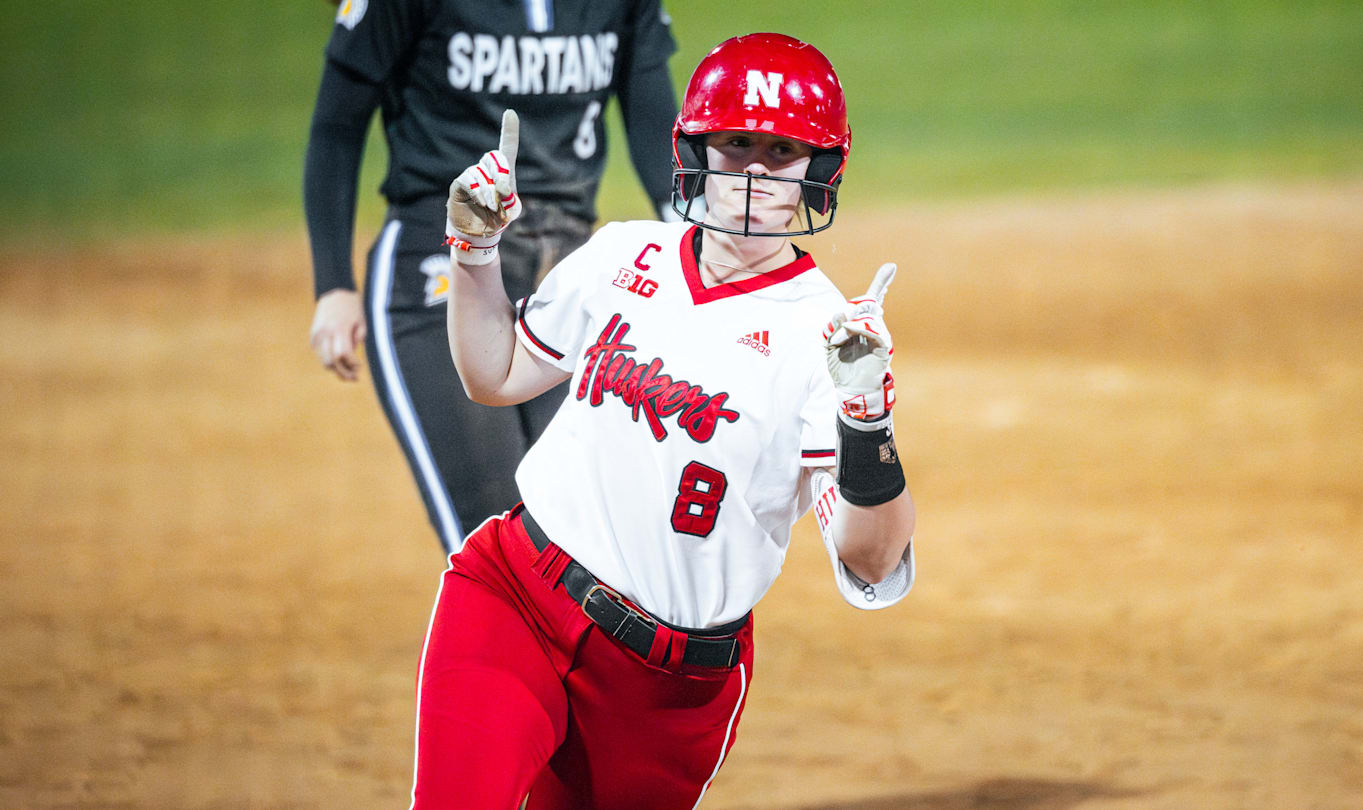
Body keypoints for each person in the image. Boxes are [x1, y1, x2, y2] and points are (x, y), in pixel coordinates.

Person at [410, 33, 918, 809]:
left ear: (817, 172)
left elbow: (871, 561)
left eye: (781, 151)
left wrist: (866, 417)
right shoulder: (621, 255)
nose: (753, 170)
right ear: (693, 150)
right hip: (517, 597)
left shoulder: (828, 336)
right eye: (735, 143)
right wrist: (474, 251)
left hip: (670, 691)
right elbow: (495, 375)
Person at [304, 0, 681, 554]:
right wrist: (334, 285)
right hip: (439, 261)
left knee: (585, 533)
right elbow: (338, 125)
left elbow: (652, 115)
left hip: (567, 269)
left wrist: (689, 233)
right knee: (494, 536)